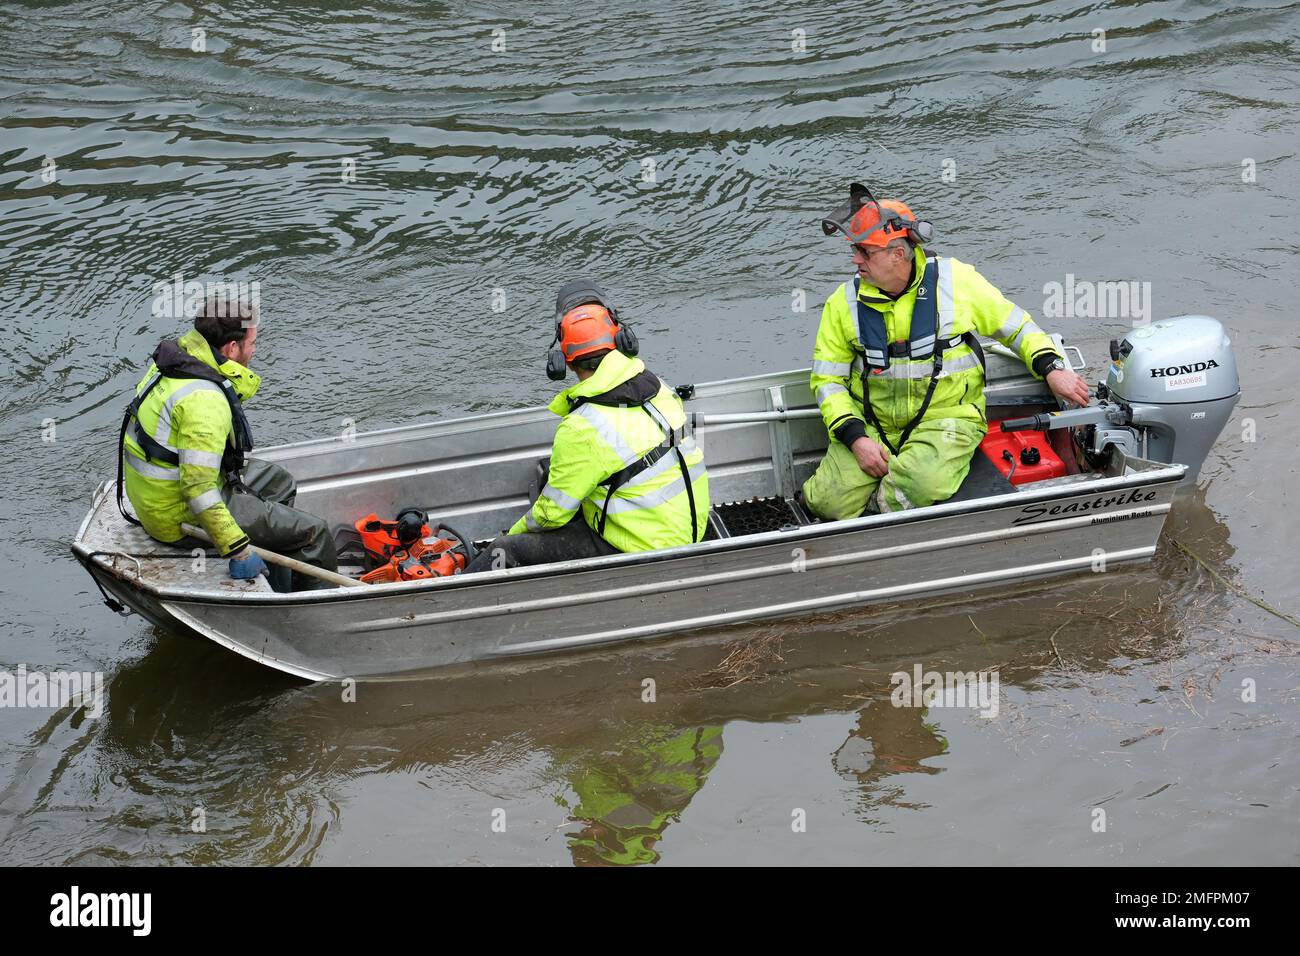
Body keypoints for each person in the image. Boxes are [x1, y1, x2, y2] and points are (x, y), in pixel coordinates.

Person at [802, 183, 1091, 520]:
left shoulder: (957, 282)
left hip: (947, 421)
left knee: (919, 483)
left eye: (865, 251)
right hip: (872, 427)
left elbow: (1017, 327)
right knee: (826, 502)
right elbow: (828, 382)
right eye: (855, 250)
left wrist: (1052, 367)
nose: (854, 259)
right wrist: (856, 439)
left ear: (898, 254)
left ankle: (883, 518)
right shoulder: (842, 303)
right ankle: (883, 501)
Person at [465, 279, 709, 573]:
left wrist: (507, 536)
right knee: (554, 476)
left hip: (647, 551)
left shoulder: (582, 428)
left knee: (506, 552)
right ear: (622, 342)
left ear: (564, 362)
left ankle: (444, 603)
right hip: (688, 530)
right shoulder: (659, 388)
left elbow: (550, 516)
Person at [117, 294, 338, 591]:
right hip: (176, 514)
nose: (255, 350)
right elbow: (198, 489)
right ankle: (311, 610)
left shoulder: (174, 362)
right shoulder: (204, 400)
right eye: (253, 343)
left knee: (280, 482)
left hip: (154, 497)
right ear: (232, 348)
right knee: (316, 533)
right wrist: (237, 549)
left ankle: (275, 573)